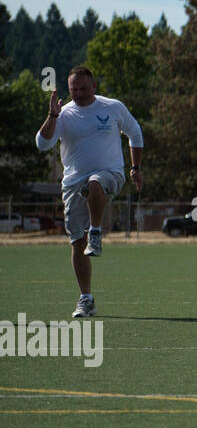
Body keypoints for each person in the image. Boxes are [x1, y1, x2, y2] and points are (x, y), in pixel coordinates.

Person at [35, 65, 144, 319]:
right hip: (72, 182)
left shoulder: (112, 107)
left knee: (95, 182)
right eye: (74, 90)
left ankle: (96, 231)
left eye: (84, 88)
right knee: (76, 242)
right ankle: (86, 299)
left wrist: (136, 167)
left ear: (94, 86)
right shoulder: (63, 114)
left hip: (111, 174)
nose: (79, 94)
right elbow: (42, 144)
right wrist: (52, 116)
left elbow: (134, 132)